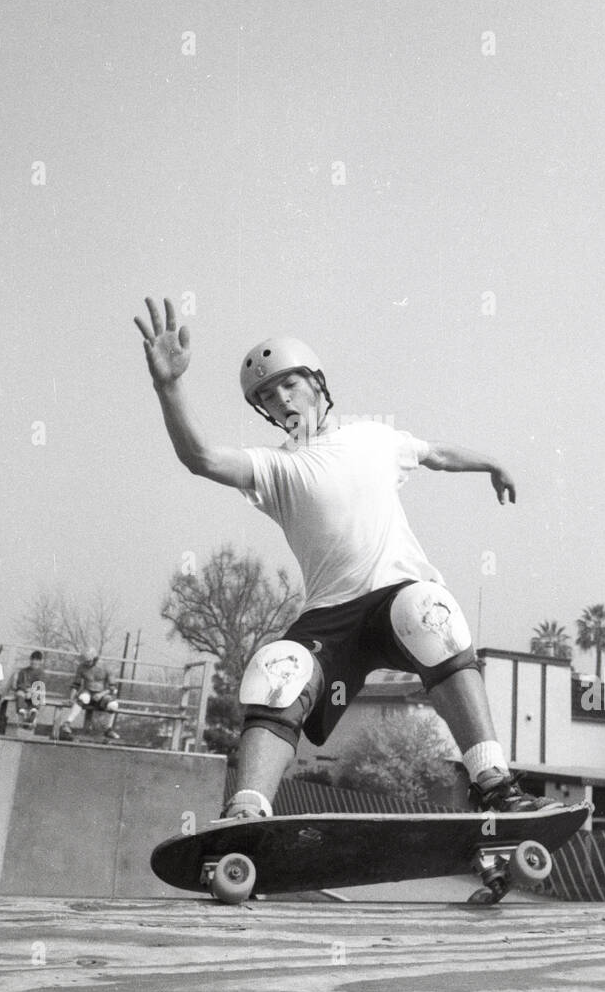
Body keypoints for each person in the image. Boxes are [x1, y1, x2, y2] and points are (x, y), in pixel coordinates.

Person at [135, 297, 558, 819]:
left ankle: (494, 785)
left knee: (429, 610)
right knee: (276, 669)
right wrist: (169, 386)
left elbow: (437, 455)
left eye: (289, 383)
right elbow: (200, 457)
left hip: (396, 604)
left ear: (317, 382)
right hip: (330, 621)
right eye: (267, 396)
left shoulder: (374, 438)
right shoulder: (275, 468)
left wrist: (492, 462)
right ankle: (247, 813)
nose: (281, 399)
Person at [60, 648, 121, 743]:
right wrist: (71, 698)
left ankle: (108, 729)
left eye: (89, 661)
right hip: (88, 692)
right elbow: (76, 684)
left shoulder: (106, 666)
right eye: (85, 661)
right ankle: (67, 723)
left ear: (95, 658)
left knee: (114, 705)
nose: (87, 664)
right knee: (83, 698)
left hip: (102, 694)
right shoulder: (81, 667)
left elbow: (114, 688)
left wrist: (101, 694)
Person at [7, 650, 47, 731]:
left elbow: (40, 685)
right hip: (24, 691)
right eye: (33, 660)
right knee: (19, 693)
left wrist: (31, 691)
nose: (34, 662)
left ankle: (34, 711)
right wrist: (25, 690)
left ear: (40, 662)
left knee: (38, 694)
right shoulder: (23, 671)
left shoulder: (41, 673)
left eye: (37, 661)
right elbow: (19, 683)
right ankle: (22, 711)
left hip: (35, 692)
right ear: (30, 660)